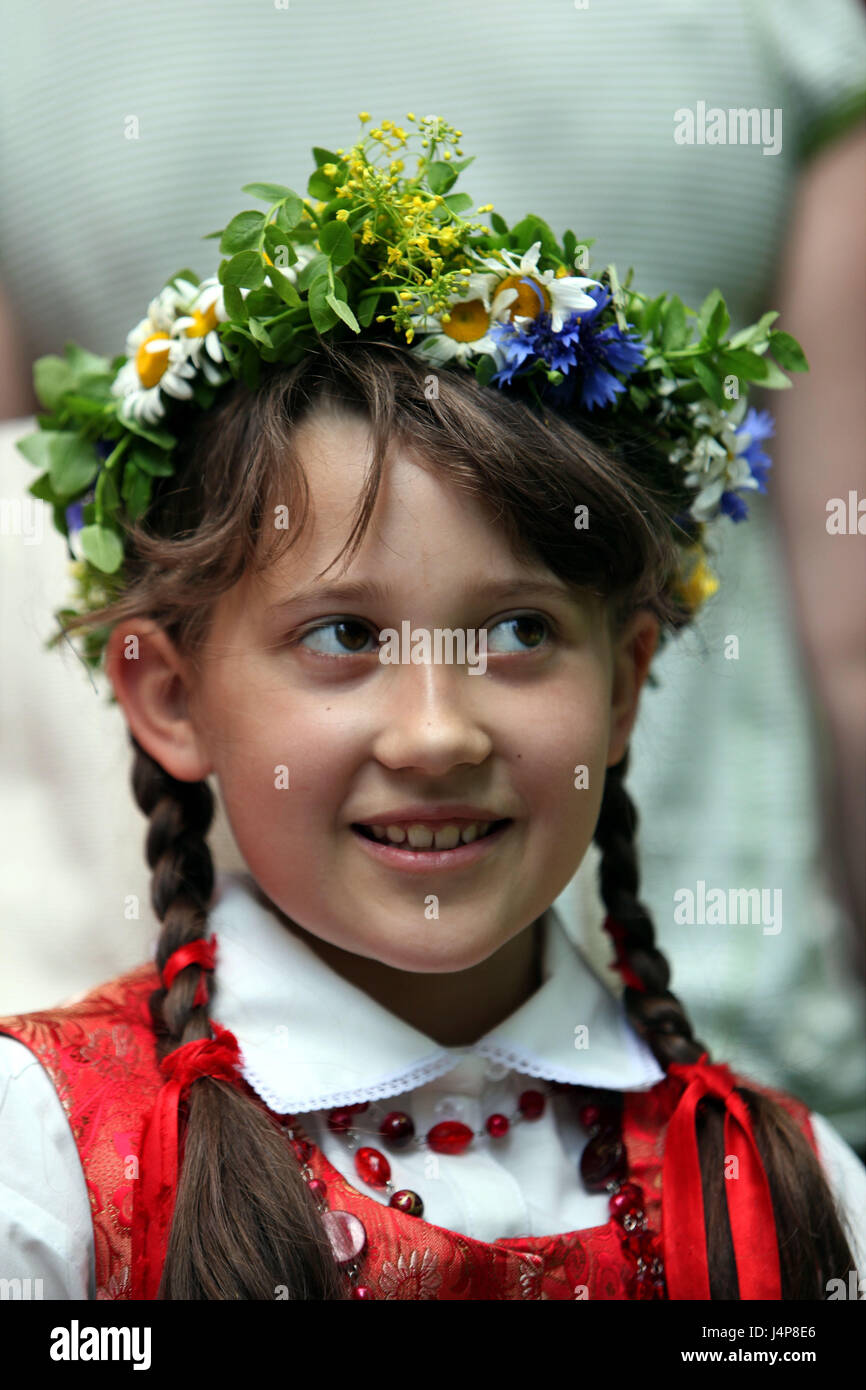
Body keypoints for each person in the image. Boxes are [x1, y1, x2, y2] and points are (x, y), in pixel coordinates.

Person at [0, 113, 863, 1301]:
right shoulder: (46, 1165)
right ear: (169, 692)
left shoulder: (790, 1191)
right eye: (343, 637)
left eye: (519, 633)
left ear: (621, 685)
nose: (436, 734)